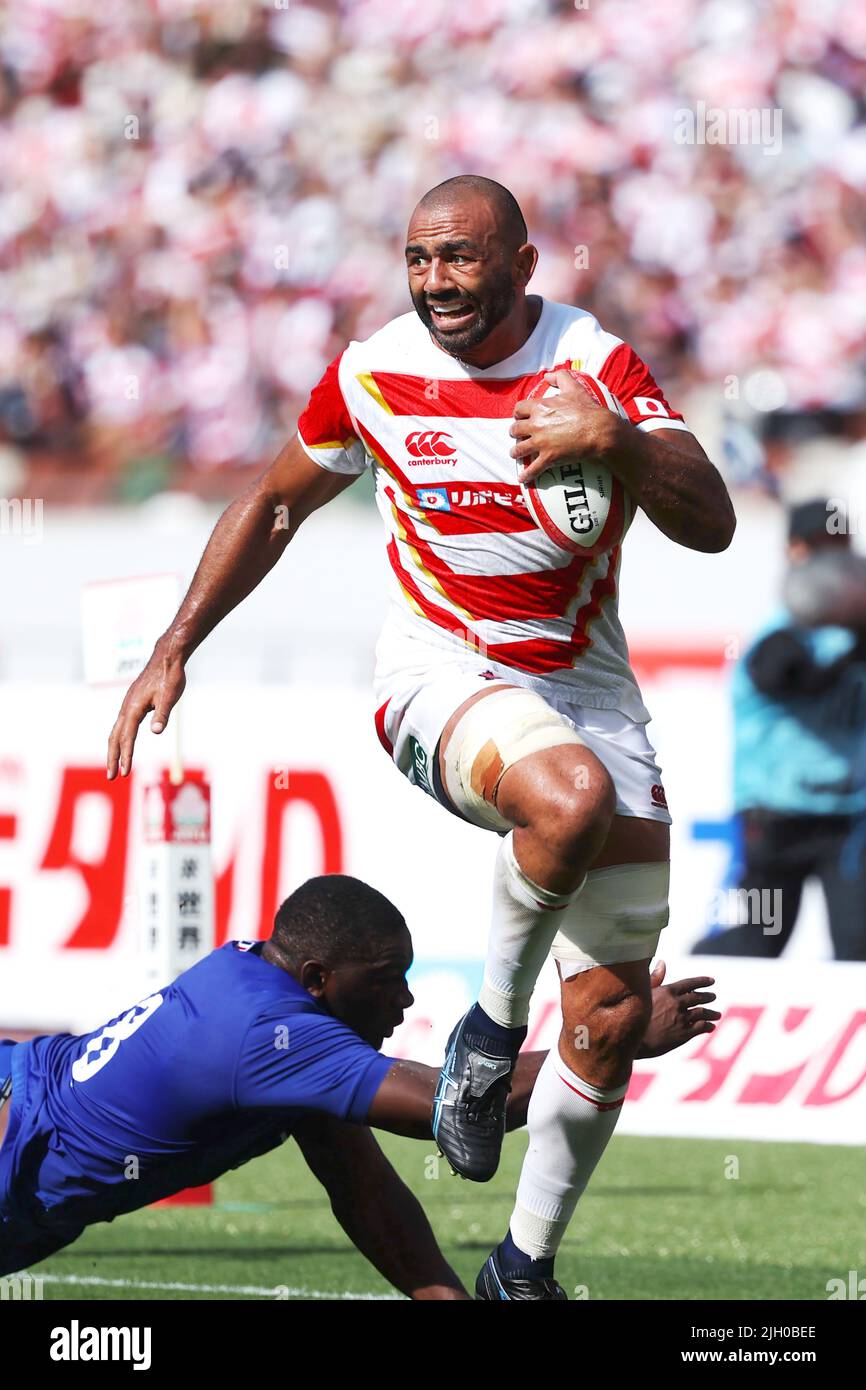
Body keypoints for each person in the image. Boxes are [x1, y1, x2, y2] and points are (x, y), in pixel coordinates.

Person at [106, 175, 734, 1299]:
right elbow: (275, 501)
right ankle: (485, 1038)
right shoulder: (374, 370)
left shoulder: (592, 362)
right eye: (418, 258)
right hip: (436, 679)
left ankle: (521, 1265)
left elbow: (714, 521)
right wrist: (174, 642)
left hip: (592, 699)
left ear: (522, 265)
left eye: (460, 258)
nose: (436, 281)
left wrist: (618, 443)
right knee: (570, 799)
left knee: (605, 1018)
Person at [0, 874, 717, 1299]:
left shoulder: (275, 1009)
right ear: (318, 978)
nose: (404, 999)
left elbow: (364, 1190)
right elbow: (461, 1108)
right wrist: (609, 1036)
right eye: (385, 980)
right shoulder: (273, 1039)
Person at [692, 498, 866, 960]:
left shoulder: (851, 632)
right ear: (795, 551)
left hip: (846, 821)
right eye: (820, 546)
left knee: (858, 945)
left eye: (841, 546)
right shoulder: (777, 636)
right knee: (759, 940)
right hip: (775, 821)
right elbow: (791, 677)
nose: (834, 561)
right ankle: (691, 971)